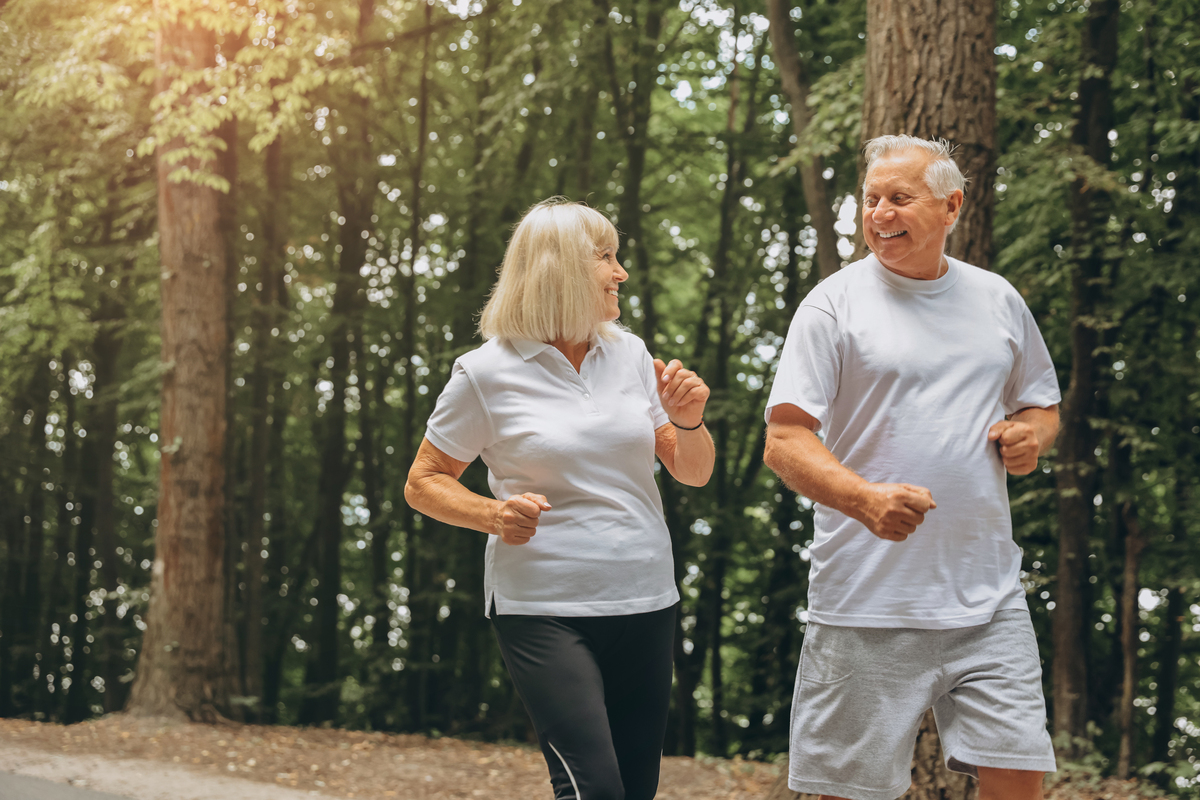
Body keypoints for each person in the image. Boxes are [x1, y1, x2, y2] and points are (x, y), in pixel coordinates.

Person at [762, 135, 1061, 800]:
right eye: (871, 199)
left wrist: (1028, 437)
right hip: (866, 600)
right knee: (850, 791)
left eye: (900, 197)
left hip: (988, 597)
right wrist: (863, 499)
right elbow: (783, 439)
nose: (879, 212)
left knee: (1018, 773)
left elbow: (1042, 404)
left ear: (951, 206)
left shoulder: (997, 299)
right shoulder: (832, 306)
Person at [404, 199, 714, 800]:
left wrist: (691, 422)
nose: (621, 272)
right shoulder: (484, 373)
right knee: (592, 788)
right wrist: (493, 515)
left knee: (635, 788)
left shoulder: (629, 353)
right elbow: (424, 480)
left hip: (646, 597)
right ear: (561, 271)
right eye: (606, 257)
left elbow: (691, 472)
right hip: (543, 605)